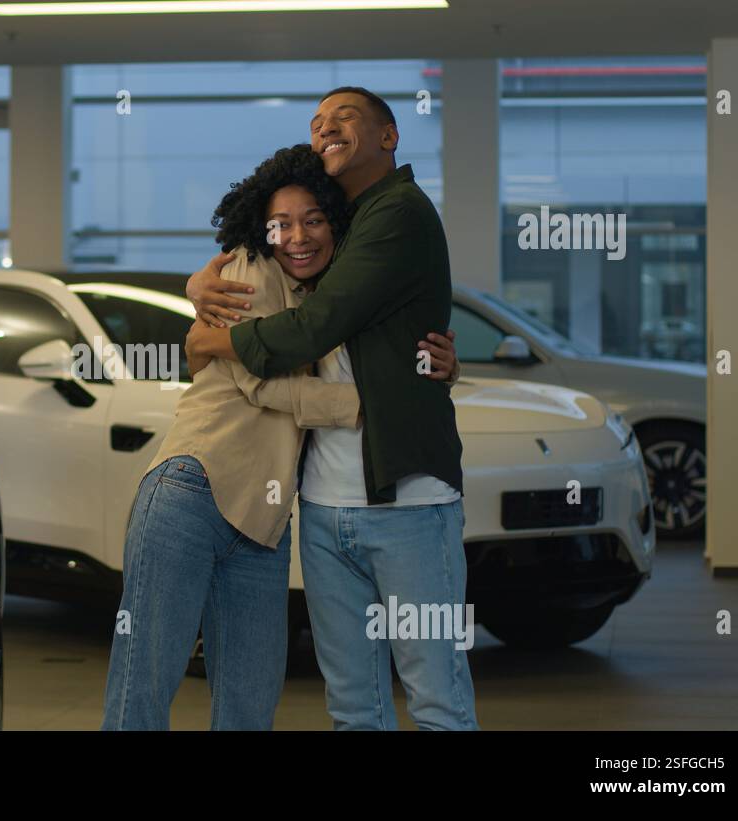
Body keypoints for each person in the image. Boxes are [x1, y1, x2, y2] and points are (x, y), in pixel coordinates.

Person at [101, 144, 459, 731]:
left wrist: (444, 367)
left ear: (336, 224)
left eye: (313, 221)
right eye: (281, 224)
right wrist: (366, 406)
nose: (297, 237)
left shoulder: (332, 295)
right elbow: (257, 381)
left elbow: (387, 345)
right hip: (191, 490)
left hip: (265, 523)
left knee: (249, 702)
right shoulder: (247, 271)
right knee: (144, 683)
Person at [186, 86, 479, 731]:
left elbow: (315, 327)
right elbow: (257, 271)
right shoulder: (338, 231)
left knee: (436, 698)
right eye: (317, 124)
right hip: (325, 506)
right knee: (353, 707)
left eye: (343, 119)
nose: (326, 130)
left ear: (388, 135)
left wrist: (215, 338)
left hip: (409, 504)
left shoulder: (398, 213)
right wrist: (197, 285)